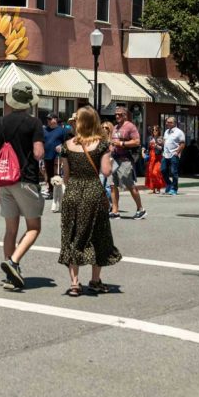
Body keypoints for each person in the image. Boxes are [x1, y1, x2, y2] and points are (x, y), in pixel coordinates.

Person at [56, 106, 121, 296]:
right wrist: (109, 156)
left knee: (72, 235)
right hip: (93, 191)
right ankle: (95, 280)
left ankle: (74, 283)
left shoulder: (67, 145)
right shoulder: (101, 145)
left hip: (73, 191)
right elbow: (106, 171)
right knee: (97, 234)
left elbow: (66, 176)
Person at [0, 81, 46, 291]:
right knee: (34, 227)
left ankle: (10, 275)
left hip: (4, 179)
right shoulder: (34, 123)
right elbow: (38, 153)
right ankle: (13, 262)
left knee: (10, 229)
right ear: (29, 102)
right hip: (25, 178)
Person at [108, 104, 146, 220]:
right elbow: (112, 142)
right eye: (116, 114)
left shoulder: (130, 126)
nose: (117, 116)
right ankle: (115, 211)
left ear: (125, 115)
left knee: (130, 185)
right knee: (112, 185)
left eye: (120, 114)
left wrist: (122, 143)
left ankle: (140, 209)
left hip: (125, 160)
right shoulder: (115, 127)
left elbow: (137, 142)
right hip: (114, 159)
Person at [41, 114, 69, 200]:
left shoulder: (62, 130)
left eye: (50, 119)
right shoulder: (45, 130)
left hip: (57, 156)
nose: (48, 121)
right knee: (49, 174)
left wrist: (61, 146)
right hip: (47, 155)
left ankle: (60, 191)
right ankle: (51, 191)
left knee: (57, 174)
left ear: (55, 120)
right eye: (47, 119)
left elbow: (67, 142)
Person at [161, 115, 187, 196]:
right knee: (163, 170)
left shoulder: (179, 132)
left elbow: (182, 144)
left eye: (170, 122)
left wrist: (177, 152)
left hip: (174, 154)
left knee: (173, 172)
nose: (167, 123)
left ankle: (174, 188)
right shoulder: (166, 132)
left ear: (174, 123)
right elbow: (164, 142)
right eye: (167, 122)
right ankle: (169, 184)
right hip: (165, 154)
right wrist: (161, 143)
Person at [144, 125, 164, 194]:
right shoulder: (150, 138)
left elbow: (162, 148)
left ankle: (158, 188)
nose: (154, 131)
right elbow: (146, 146)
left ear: (158, 131)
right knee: (151, 173)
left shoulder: (160, 138)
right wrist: (143, 152)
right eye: (153, 130)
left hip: (157, 157)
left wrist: (156, 145)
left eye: (156, 130)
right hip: (151, 157)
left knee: (156, 172)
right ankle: (153, 188)